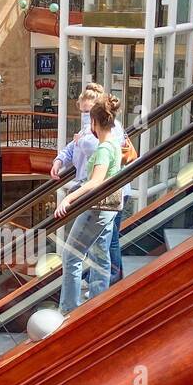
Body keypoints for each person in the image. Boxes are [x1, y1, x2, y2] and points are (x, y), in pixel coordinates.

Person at [56, 94, 123, 314]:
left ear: (95, 122)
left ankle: (69, 310)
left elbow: (95, 181)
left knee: (71, 257)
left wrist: (68, 198)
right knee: (100, 256)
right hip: (109, 209)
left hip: (97, 208)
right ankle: (97, 305)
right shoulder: (114, 140)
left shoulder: (104, 148)